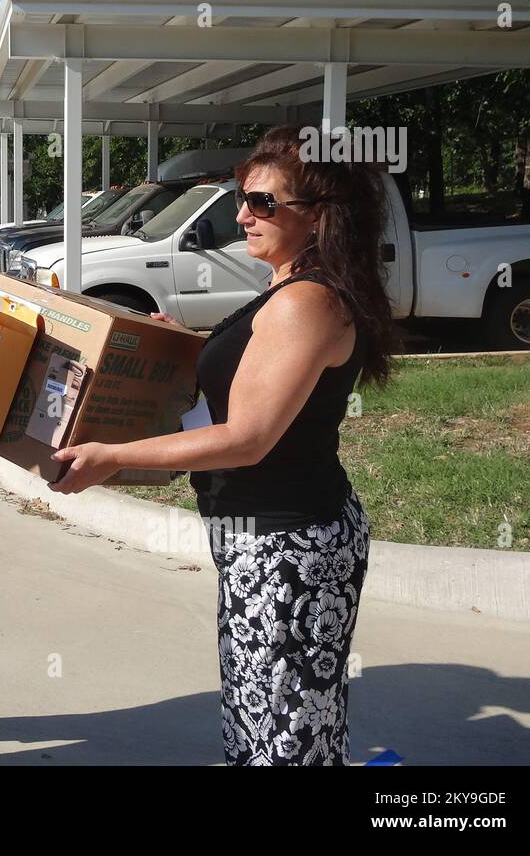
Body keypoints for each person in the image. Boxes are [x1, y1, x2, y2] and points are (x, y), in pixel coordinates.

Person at [49, 125, 395, 766]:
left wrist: (114, 455)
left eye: (264, 202)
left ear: (319, 216)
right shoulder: (292, 285)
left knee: (283, 738)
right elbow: (252, 379)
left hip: (289, 551)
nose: (243, 214)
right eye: (243, 197)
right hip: (267, 542)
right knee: (272, 720)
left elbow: (247, 438)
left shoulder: (308, 301)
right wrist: (182, 341)